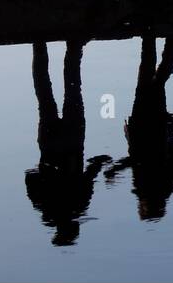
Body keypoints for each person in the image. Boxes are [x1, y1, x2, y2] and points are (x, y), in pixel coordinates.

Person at [24, 40, 112, 245]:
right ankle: (39, 45)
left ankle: (74, 46)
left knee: (73, 89)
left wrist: (103, 161)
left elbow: (90, 173)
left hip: (73, 140)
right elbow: (29, 177)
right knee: (44, 92)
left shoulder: (79, 204)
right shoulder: (45, 207)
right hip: (50, 144)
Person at [104, 35, 173, 221]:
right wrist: (116, 170)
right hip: (145, 127)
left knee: (155, 80)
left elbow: (136, 160)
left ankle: (163, 37)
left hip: (150, 127)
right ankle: (157, 36)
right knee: (151, 79)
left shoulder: (161, 184)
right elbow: (136, 159)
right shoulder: (157, 185)